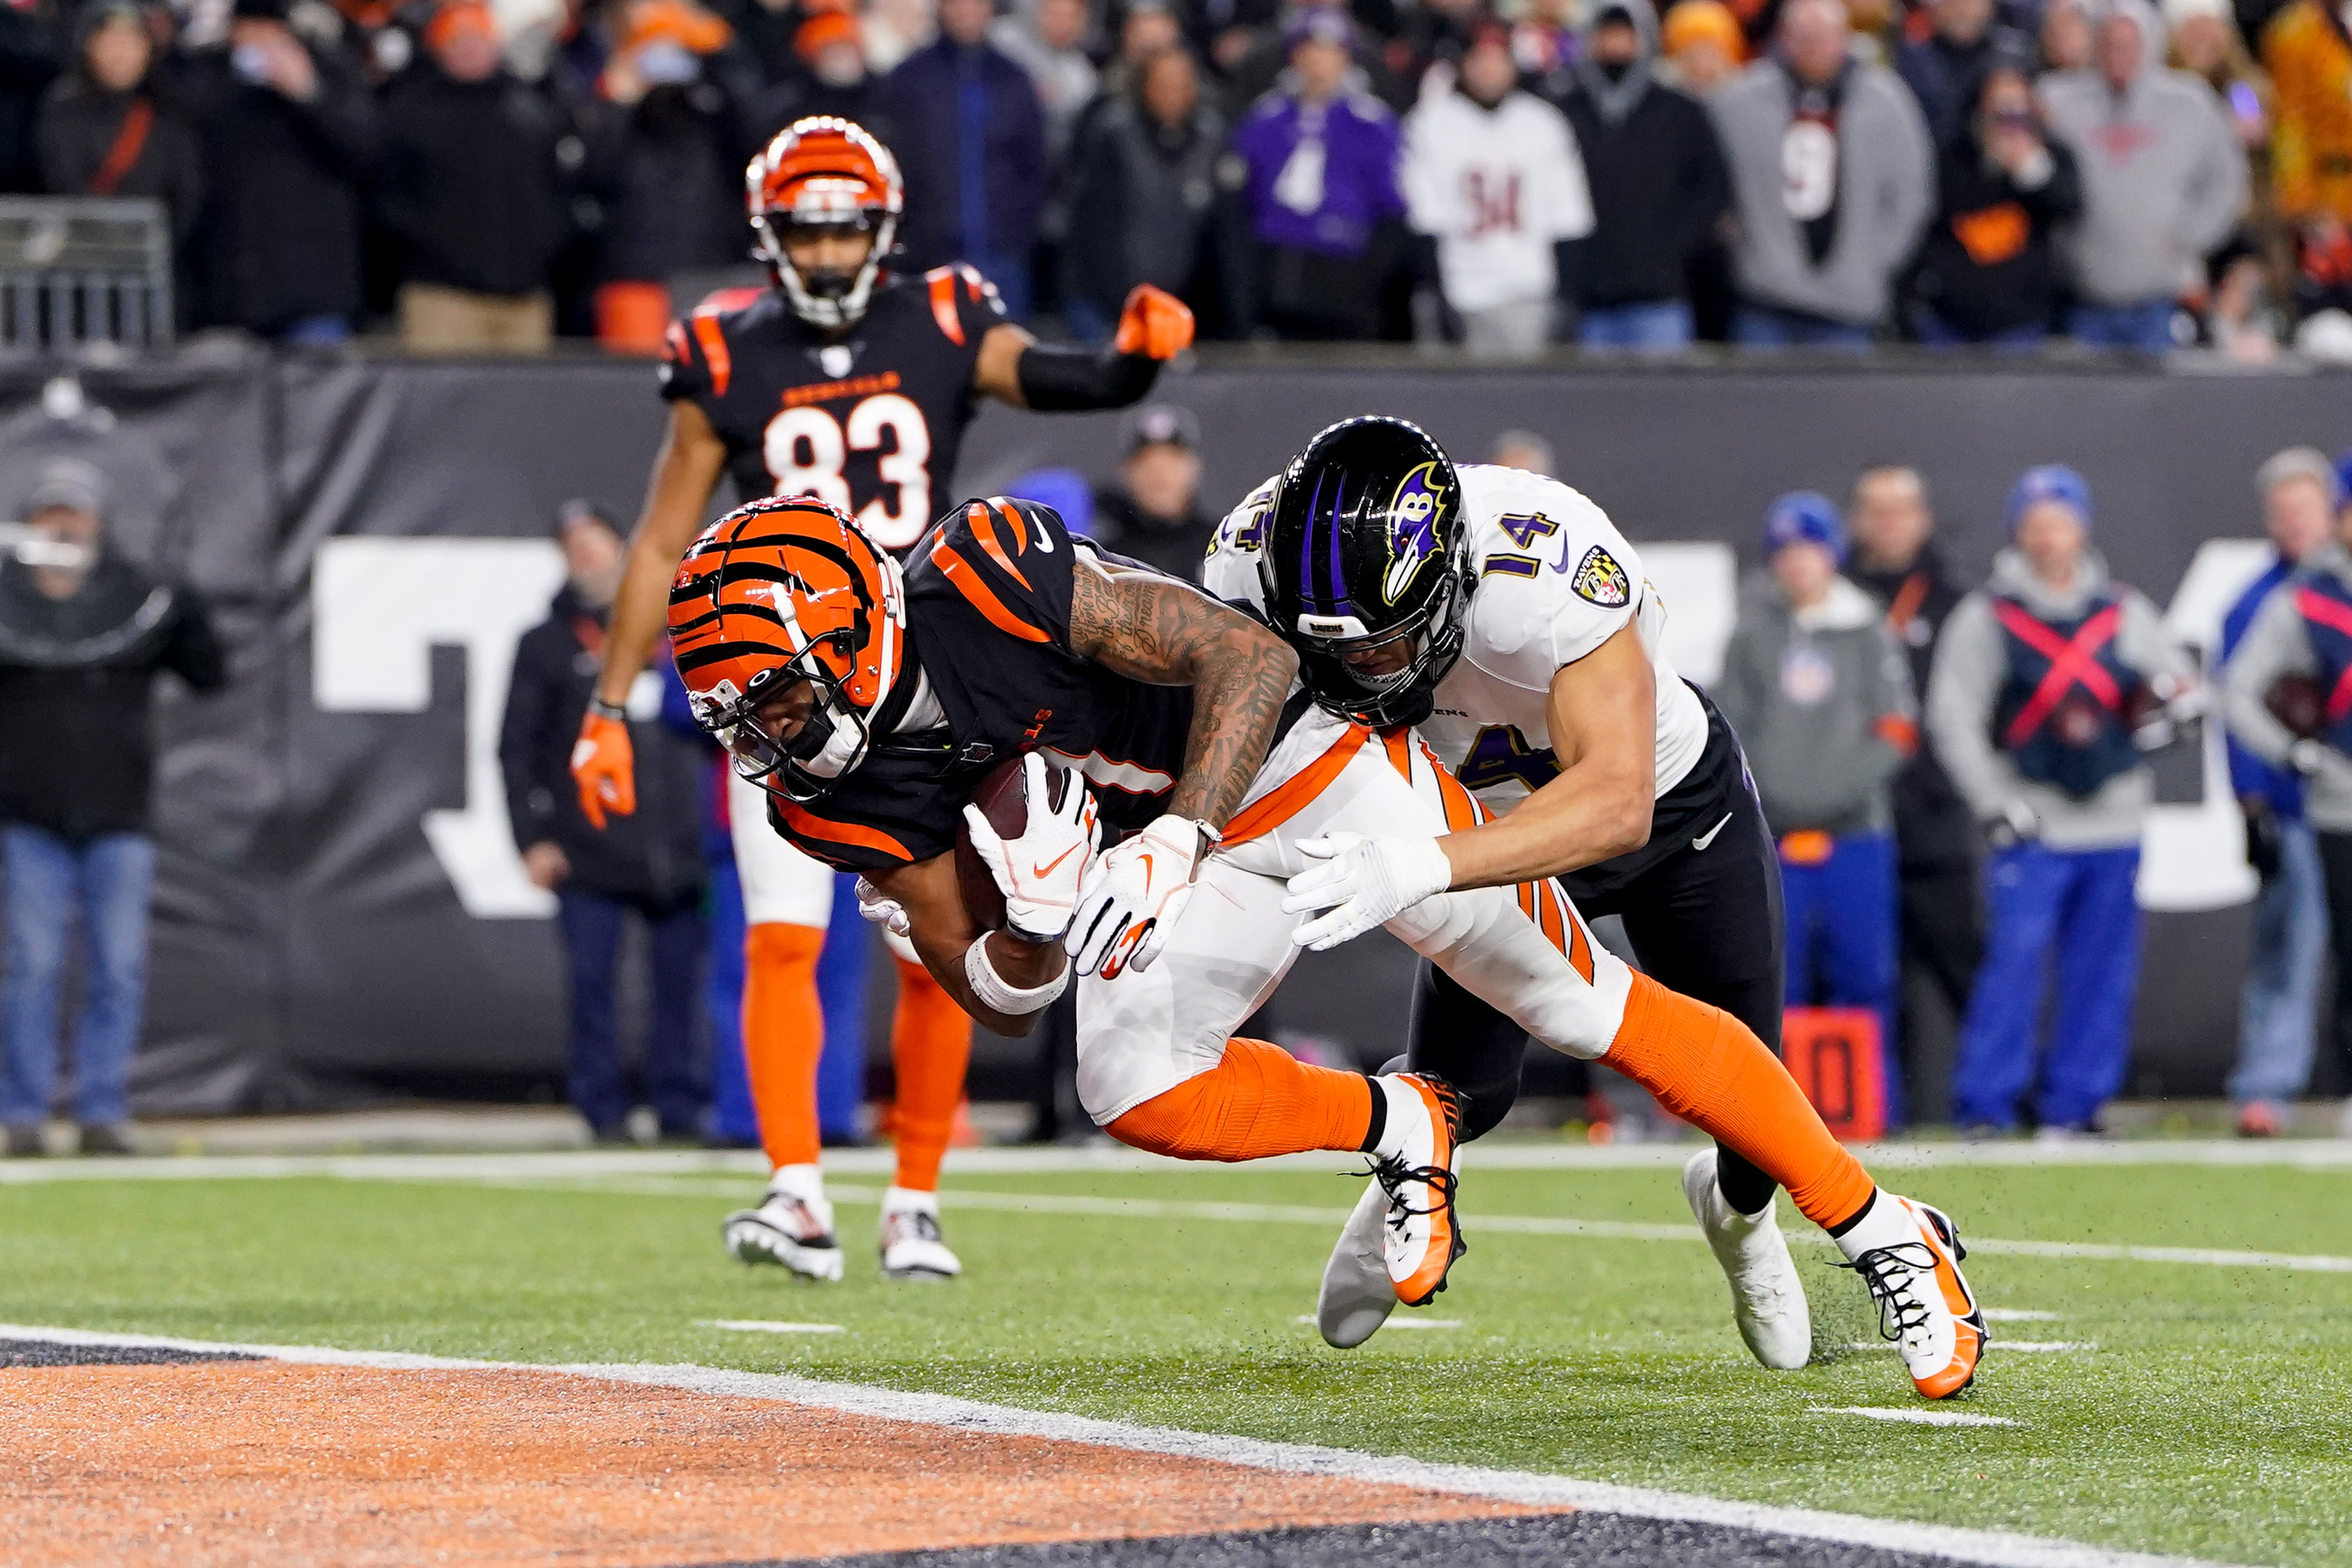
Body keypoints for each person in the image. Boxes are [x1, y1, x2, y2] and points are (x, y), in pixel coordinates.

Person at [691, 487, 1981, 1403]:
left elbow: (1247, 658)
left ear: (854, 629)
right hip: (1168, 836)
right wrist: (1028, 923)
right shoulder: (820, 789)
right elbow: (1002, 998)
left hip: (1304, 776)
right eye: (742, 713)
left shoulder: (988, 574)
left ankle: (1876, 1227)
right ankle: (1401, 1120)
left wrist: (1181, 837)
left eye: (782, 694)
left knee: (1584, 1008)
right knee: (1123, 1084)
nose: (771, 733)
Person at [1213, 417, 1986, 1400]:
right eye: (1340, 649)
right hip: (1484, 826)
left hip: (1665, 815)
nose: (1364, 672)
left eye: (1387, 642)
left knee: (1749, 1116)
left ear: (1448, 584)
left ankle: (1740, 1224)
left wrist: (1422, 861)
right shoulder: (1255, 559)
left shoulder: (1543, 568)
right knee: (1463, 1092)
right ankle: (1402, 1166)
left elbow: (1615, 803)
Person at [567, 119, 1193, 1280]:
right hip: (790, 695)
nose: (825, 249)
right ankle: (796, 1187)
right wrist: (608, 705)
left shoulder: (940, 316)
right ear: (770, 237)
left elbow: (1051, 376)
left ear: (881, 229)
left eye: (844, 226)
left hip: (924, 673)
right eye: (805, 229)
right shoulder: (723, 350)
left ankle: (915, 1196)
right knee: (780, 936)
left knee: (935, 941)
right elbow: (660, 544)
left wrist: (1130, 366)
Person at [1928, 466, 2194, 1137]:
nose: (2051, 536)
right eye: (2038, 521)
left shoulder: (2124, 609)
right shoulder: (1990, 616)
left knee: (2102, 973)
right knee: (2012, 967)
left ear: (2083, 526)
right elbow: (1953, 716)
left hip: (2113, 814)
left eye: (2062, 520)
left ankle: (2076, 1106)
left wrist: (2174, 712)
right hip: (2034, 815)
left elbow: (2180, 689)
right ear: (2020, 529)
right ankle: (1987, 1106)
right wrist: (1993, 799)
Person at [0, 458, 223, 1158]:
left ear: (98, 522)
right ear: (30, 523)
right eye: (51, 514)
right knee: (32, 965)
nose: (64, 525)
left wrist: (185, 602)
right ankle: (24, 1116)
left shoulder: (137, 598)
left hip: (118, 817)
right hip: (28, 816)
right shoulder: (7, 603)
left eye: (76, 513)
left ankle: (102, 1111)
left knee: (119, 968)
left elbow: (210, 673)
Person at [500, 502, 708, 1142]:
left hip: (680, 844)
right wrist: (532, 839)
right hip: (589, 846)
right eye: (574, 547)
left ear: (624, 548)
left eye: (596, 543)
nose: (588, 556)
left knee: (682, 989)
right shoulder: (548, 644)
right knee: (593, 986)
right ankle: (603, 1108)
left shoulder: (682, 630)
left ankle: (679, 1103)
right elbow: (517, 748)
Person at [1713, 493, 1914, 1123]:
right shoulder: (1753, 633)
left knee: (1867, 974)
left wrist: (1832, 795)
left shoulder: (1866, 627)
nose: (1798, 564)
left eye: (1810, 549)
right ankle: (1775, 1119)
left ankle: (1877, 1111)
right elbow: (1728, 729)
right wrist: (1776, 798)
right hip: (1772, 833)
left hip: (1857, 832)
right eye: (1786, 552)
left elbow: (1896, 729)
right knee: (1776, 979)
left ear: (1830, 554)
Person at [1843, 466, 1979, 1128]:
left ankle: (1994, 1102)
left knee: (1966, 962)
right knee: (1868, 975)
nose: (1890, 522)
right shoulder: (1831, 596)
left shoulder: (1956, 599)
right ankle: (1877, 1113)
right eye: (1876, 509)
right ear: (1857, 520)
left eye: (1902, 509)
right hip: (1856, 813)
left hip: (1937, 810)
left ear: (1924, 518)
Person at [2222, 449, 2352, 1140]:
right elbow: (2237, 700)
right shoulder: (2276, 597)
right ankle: (2266, 1088)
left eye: (2305, 508)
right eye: (2284, 512)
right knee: (2295, 952)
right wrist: (2257, 788)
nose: (2296, 522)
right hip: (2304, 802)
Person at [1708, 0, 1934, 348]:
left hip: (1850, 304)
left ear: (1845, 39)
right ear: (1783, 38)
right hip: (1765, 299)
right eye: (1804, 38)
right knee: (1757, 402)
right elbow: (1708, 183)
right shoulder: (1739, 102)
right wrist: (1745, 247)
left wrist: (1871, 262)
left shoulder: (1887, 102)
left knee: (1846, 403)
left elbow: (1911, 195)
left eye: (1824, 38)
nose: (1814, 50)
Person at [2039, 0, 2246, 352]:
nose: (2120, 54)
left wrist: (2189, 236)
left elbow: (2227, 182)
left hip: (2160, 300)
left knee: (2162, 403)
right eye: (2110, 43)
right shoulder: (2057, 100)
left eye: (2129, 44)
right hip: (2082, 295)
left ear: (2151, 45)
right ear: (2096, 45)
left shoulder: (2191, 103)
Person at [378, 1, 573, 353]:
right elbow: (386, 197)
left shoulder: (530, 111)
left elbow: (558, 192)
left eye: (478, 39)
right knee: (440, 402)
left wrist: (543, 254)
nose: (470, 49)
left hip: (524, 296)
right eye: (458, 41)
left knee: (525, 404)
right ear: (439, 48)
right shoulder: (410, 113)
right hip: (442, 294)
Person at [178, 0, 378, 343]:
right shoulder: (208, 74)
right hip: (231, 286)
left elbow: (366, 151)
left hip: (315, 287)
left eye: (268, 32)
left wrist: (308, 94)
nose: (257, 42)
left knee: (319, 392)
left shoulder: (327, 68)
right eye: (247, 30)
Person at [1400, 17, 1591, 356]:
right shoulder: (1431, 123)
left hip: (1527, 289)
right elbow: (1423, 220)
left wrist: (1567, 298)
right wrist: (1435, 291)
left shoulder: (1543, 124)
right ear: (1464, 64)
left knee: (1522, 403)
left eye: (1498, 59)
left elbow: (1568, 219)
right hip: (1458, 287)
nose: (1489, 70)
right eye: (1480, 59)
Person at [579, 0, 761, 353]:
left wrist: (719, 52)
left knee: (711, 384)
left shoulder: (712, 104)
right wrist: (618, 100)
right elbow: (590, 175)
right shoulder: (618, 101)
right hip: (634, 277)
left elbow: (755, 143)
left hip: (709, 272)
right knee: (631, 390)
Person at [1554, 0, 1731, 352]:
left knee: (1663, 404)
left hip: (1659, 297)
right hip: (1588, 301)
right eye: (1607, 36)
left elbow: (1712, 191)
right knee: (1587, 405)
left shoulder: (1680, 112)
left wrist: (1674, 255)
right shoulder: (1564, 112)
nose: (1616, 47)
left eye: (1626, 36)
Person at [1228, 10, 1407, 341]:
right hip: (1275, 268)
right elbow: (1240, 202)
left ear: (1347, 60)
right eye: (1310, 52)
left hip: (1346, 276)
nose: (1319, 63)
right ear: (1294, 57)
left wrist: (1368, 284)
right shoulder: (1265, 119)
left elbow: (1391, 213)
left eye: (1331, 53)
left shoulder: (1373, 124)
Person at [870, 0, 1050, 318]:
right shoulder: (909, 79)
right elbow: (893, 163)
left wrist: (1020, 236)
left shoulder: (1013, 79)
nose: (967, 11)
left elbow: (1034, 165)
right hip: (930, 257)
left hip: (1004, 257)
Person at [1907, 54, 2083, 347]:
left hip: (2021, 323)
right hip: (1950, 322)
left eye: (2016, 111)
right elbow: (1933, 220)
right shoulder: (1952, 157)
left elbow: (2069, 207)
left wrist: (2029, 168)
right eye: (1998, 109)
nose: (2007, 121)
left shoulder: (2053, 155)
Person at [1062, 45, 1228, 346]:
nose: (1172, 94)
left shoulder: (1211, 138)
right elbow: (1091, 225)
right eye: (1163, 84)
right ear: (1145, 87)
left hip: (1187, 311)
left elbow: (1222, 236)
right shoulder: (1114, 135)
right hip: (1115, 306)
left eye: (1181, 85)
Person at [36, 1, 204, 252]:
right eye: (109, 40)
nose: (121, 52)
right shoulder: (64, 107)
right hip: (84, 259)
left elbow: (187, 194)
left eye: (131, 40)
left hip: (152, 261)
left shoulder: (166, 108)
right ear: (88, 47)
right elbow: (63, 181)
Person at [2261, 0, 2352, 322]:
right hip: (2331, 200)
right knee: (2329, 323)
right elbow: (2290, 129)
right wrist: (2307, 208)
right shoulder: (2295, 32)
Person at [1089, 403, 1214, 580]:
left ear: (1194, 467)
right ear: (1126, 472)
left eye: (1171, 462)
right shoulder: (1104, 558)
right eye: (1147, 463)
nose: (1159, 475)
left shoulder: (1220, 546)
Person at [1896, 0, 2030, 149]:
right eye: (1956, 3)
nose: (1964, 10)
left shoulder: (2009, 56)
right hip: (1931, 151)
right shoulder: (1915, 57)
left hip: (1986, 157)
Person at [990, 0, 1097, 160]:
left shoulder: (1083, 78)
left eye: (1070, 17)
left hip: (1044, 163)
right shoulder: (1003, 40)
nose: (1061, 24)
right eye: (1055, 14)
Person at [1662, 0, 1745, 93]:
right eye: (1692, 54)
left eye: (1711, 53)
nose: (1702, 64)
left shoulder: (1741, 92)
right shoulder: (1661, 91)